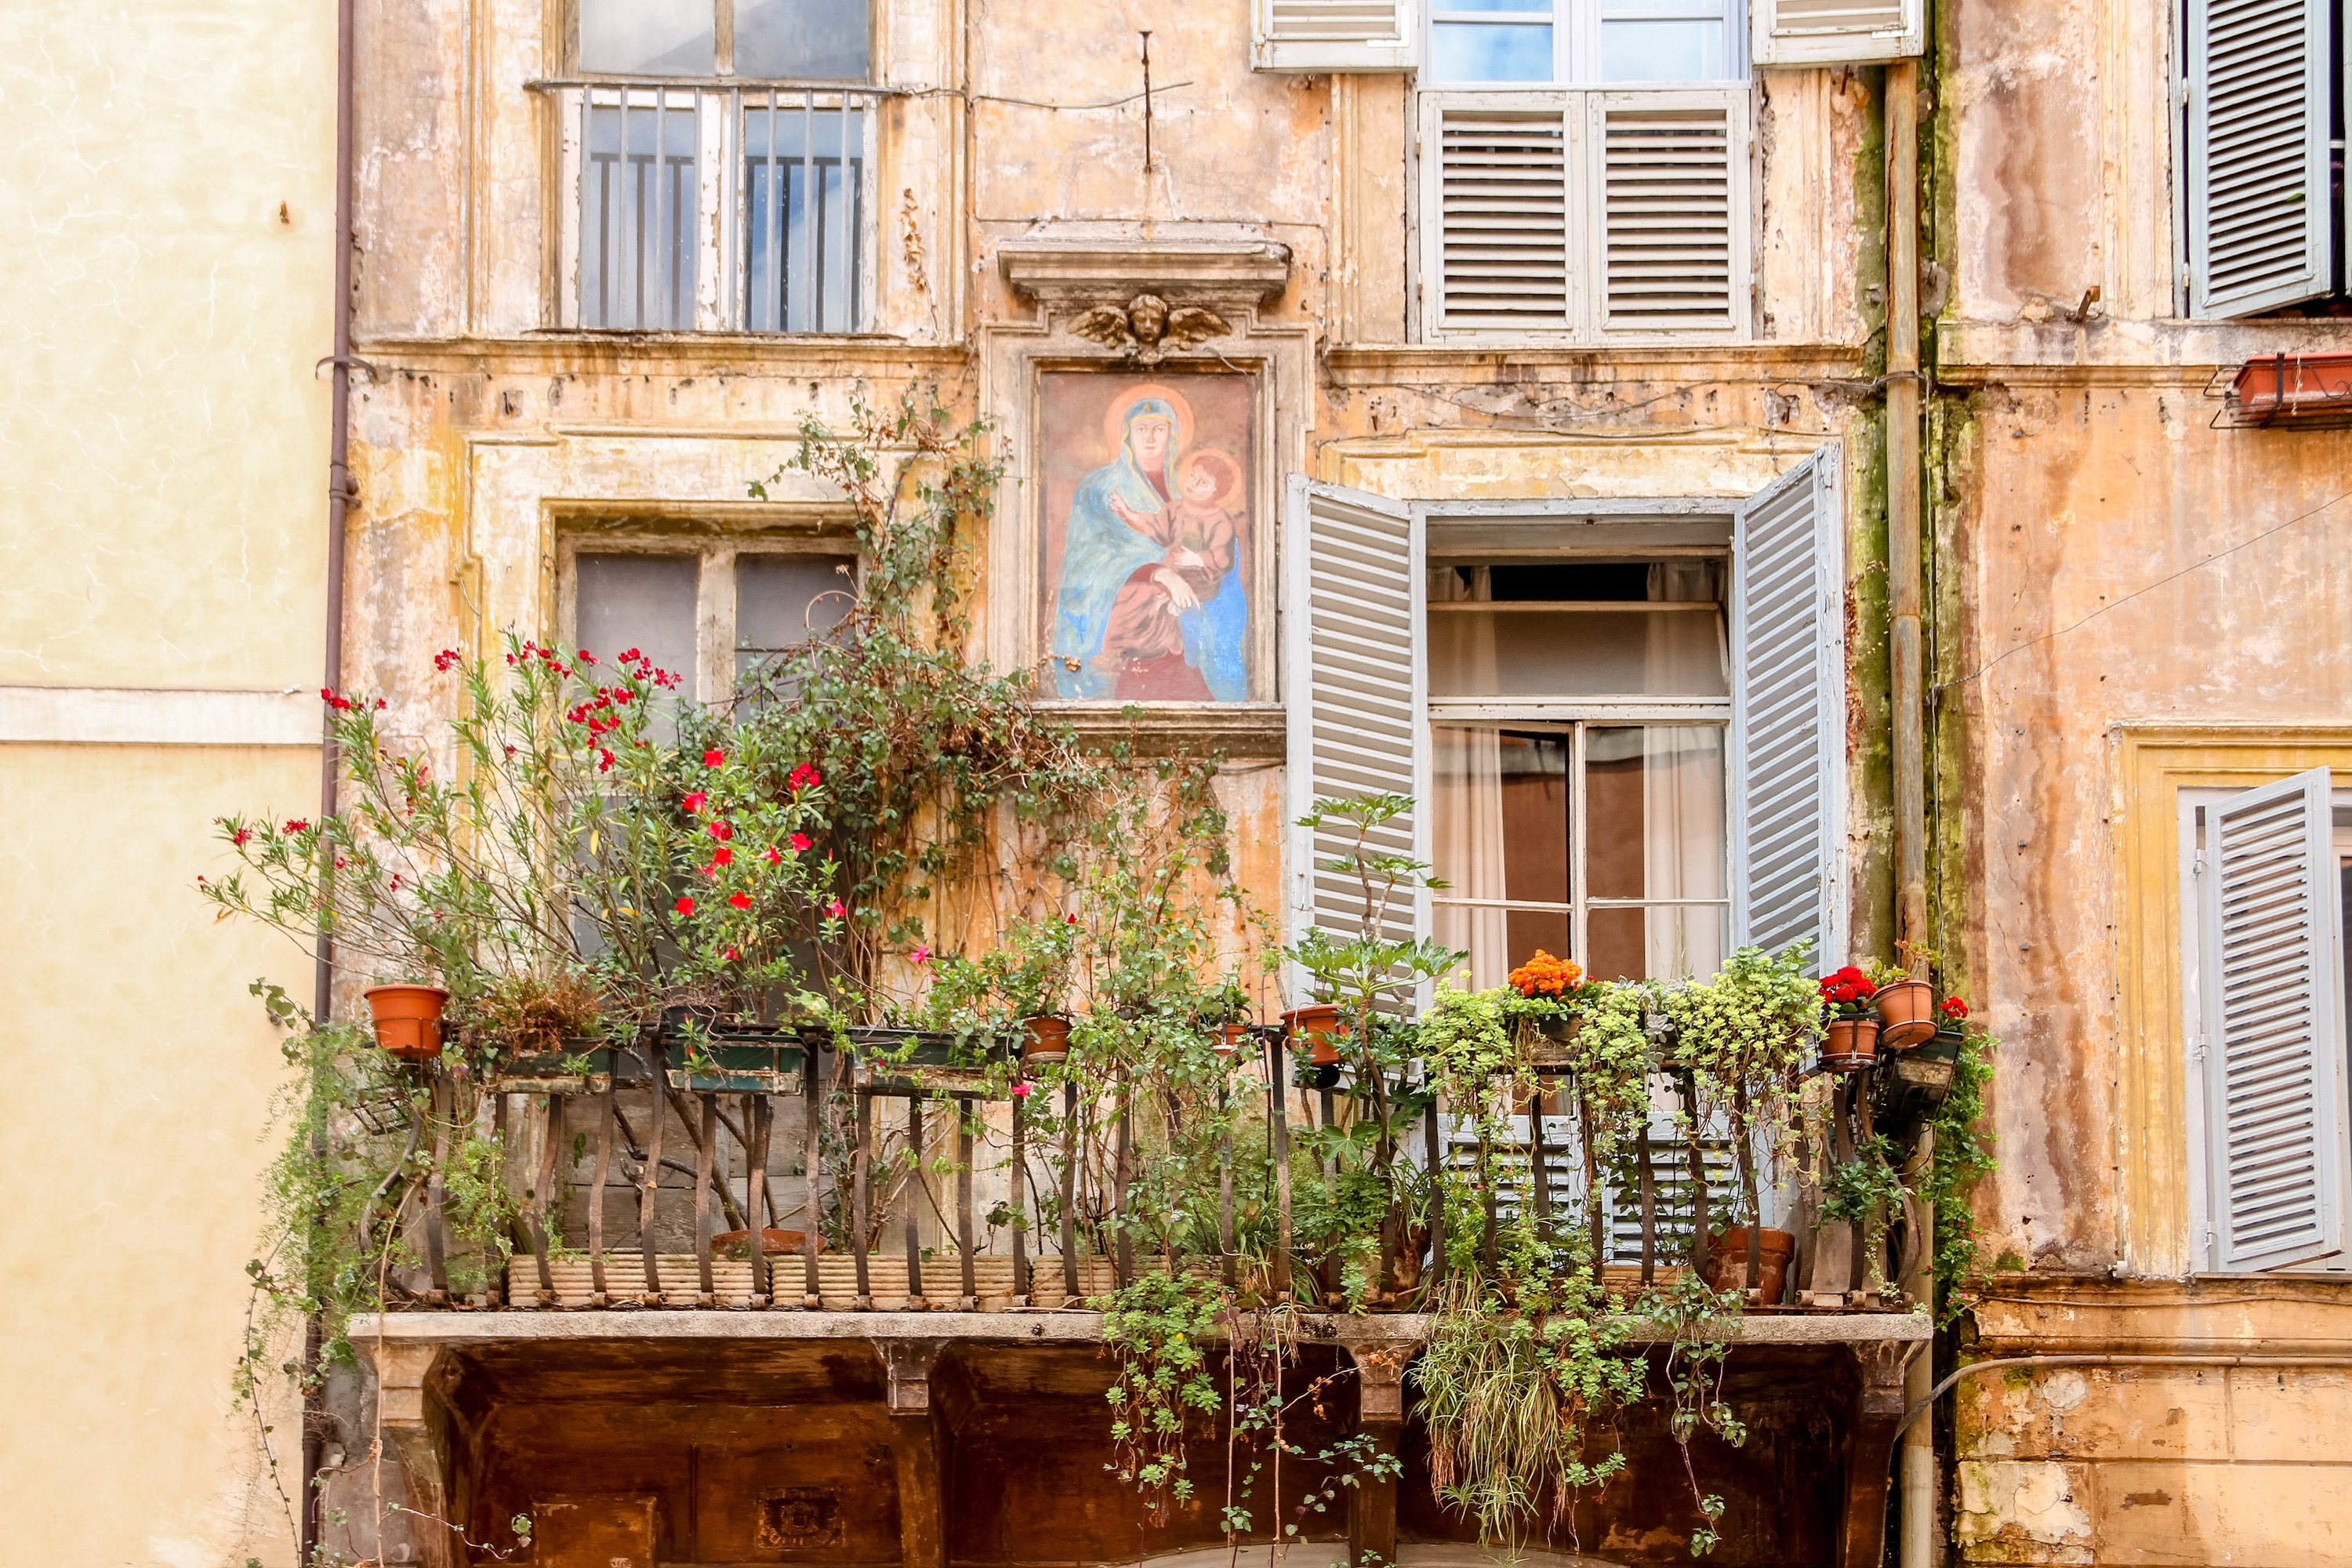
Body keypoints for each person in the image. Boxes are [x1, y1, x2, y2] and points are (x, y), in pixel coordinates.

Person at [1048, 396, 1248, 700]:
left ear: (1173, 435)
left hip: (1196, 588)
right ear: (1127, 434)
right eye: (1142, 429)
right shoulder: (1099, 486)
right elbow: (1090, 557)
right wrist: (1161, 574)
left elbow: (1220, 545)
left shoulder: (1183, 484)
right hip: (1128, 598)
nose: (1151, 438)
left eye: (1159, 429)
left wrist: (1199, 561)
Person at [1097, 449, 1244, 699]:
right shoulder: (1175, 509)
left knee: (1160, 603)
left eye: (1204, 482)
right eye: (1193, 476)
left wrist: (1197, 559)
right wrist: (1128, 513)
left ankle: (1165, 618)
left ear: (1216, 493)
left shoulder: (1220, 520)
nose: (1194, 484)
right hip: (1173, 575)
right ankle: (1113, 648)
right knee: (1136, 596)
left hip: (1203, 581)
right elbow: (1156, 526)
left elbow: (1222, 556)